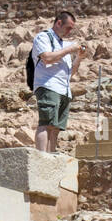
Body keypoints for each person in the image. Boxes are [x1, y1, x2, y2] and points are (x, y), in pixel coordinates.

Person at [32, 11, 87, 152]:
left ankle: (51, 156)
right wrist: (69, 49)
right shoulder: (43, 37)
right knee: (46, 123)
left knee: (56, 127)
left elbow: (70, 73)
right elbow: (47, 58)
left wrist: (79, 57)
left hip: (63, 89)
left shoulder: (64, 44)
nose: (69, 32)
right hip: (48, 85)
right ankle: (42, 157)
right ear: (58, 23)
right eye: (68, 27)